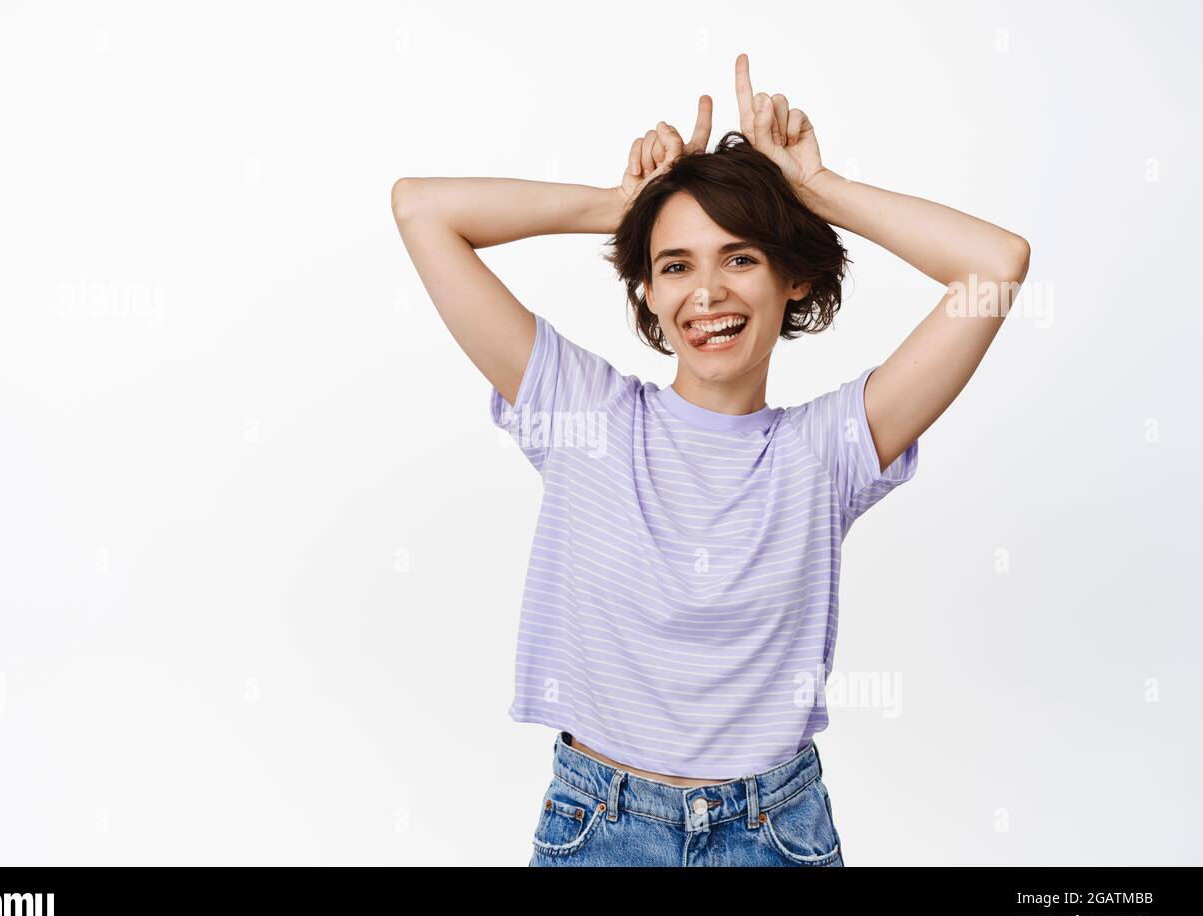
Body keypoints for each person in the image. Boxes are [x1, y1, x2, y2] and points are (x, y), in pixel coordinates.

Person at [390, 54, 1029, 866]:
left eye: (741, 257)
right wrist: (619, 208)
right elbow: (420, 210)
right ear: (649, 295)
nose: (707, 292)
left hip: (775, 835)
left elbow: (996, 266)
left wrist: (817, 188)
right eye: (675, 265)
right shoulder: (583, 415)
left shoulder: (827, 450)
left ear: (791, 278)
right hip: (601, 829)